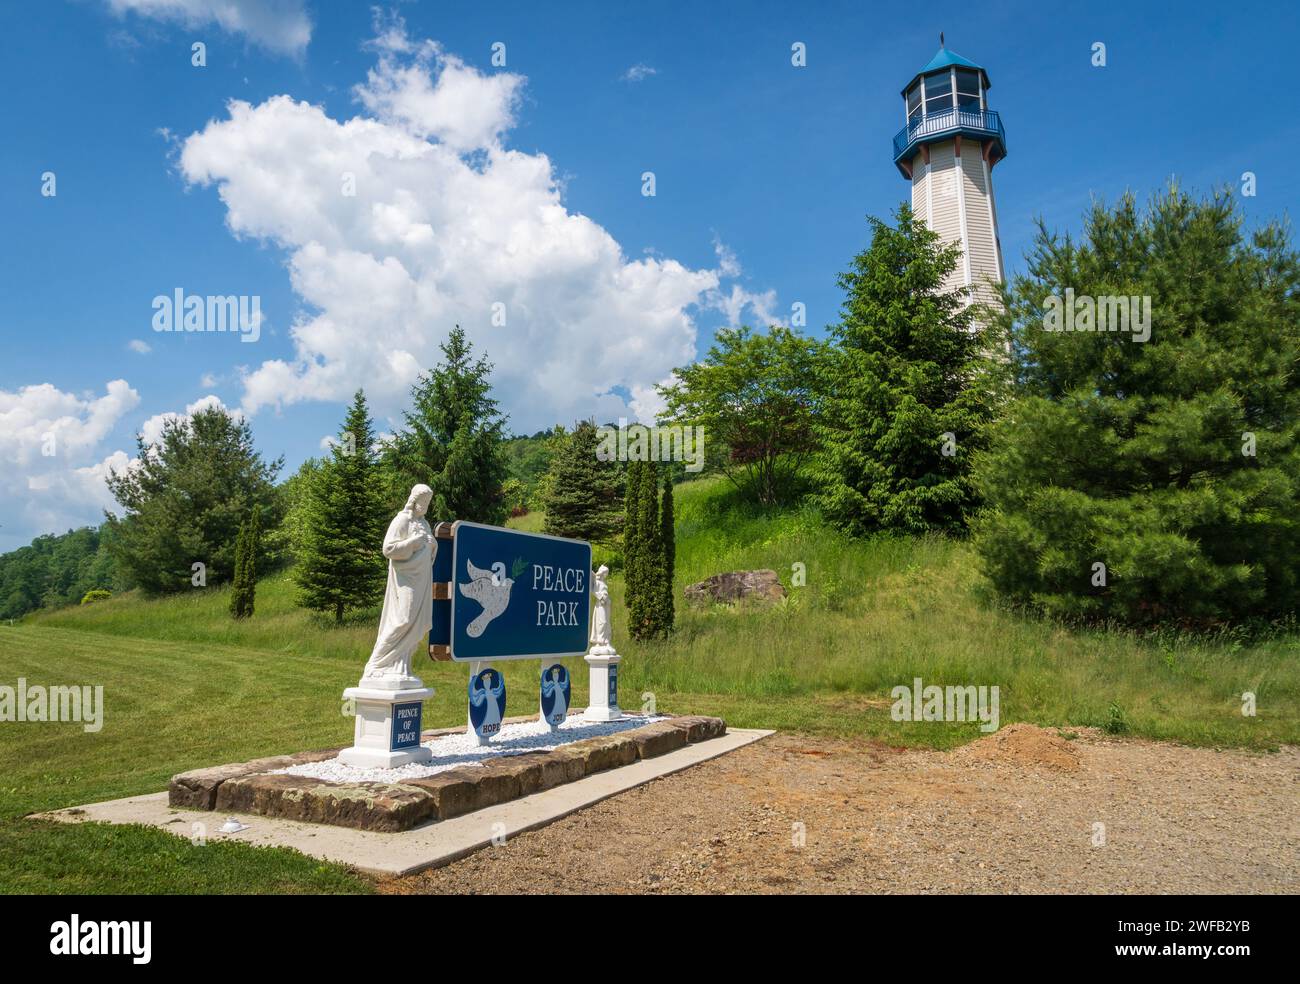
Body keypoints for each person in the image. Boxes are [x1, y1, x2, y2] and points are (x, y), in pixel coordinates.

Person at [362, 484, 435, 683]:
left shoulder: (425, 524)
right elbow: (388, 549)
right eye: (423, 502)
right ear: (414, 501)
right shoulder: (402, 520)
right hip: (406, 580)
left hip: (422, 579)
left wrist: (431, 543)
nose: (426, 506)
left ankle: (400, 665)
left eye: (428, 502)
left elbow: (430, 549)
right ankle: (376, 663)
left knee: (416, 623)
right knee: (402, 619)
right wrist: (412, 543)